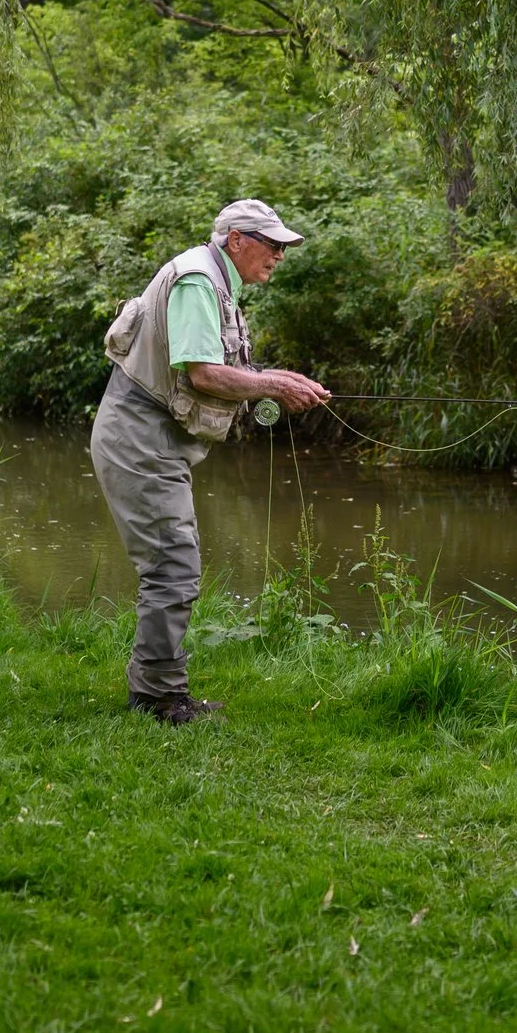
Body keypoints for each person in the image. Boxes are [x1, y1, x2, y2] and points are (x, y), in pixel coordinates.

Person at [92, 199, 331, 723]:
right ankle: (159, 698)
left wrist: (280, 379)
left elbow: (212, 369)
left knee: (171, 563)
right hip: (139, 437)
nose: (279, 256)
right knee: (172, 565)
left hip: (152, 436)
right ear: (236, 240)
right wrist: (275, 386)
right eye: (272, 245)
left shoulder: (215, 280)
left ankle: (156, 690)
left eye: (283, 247)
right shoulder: (198, 281)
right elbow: (202, 373)